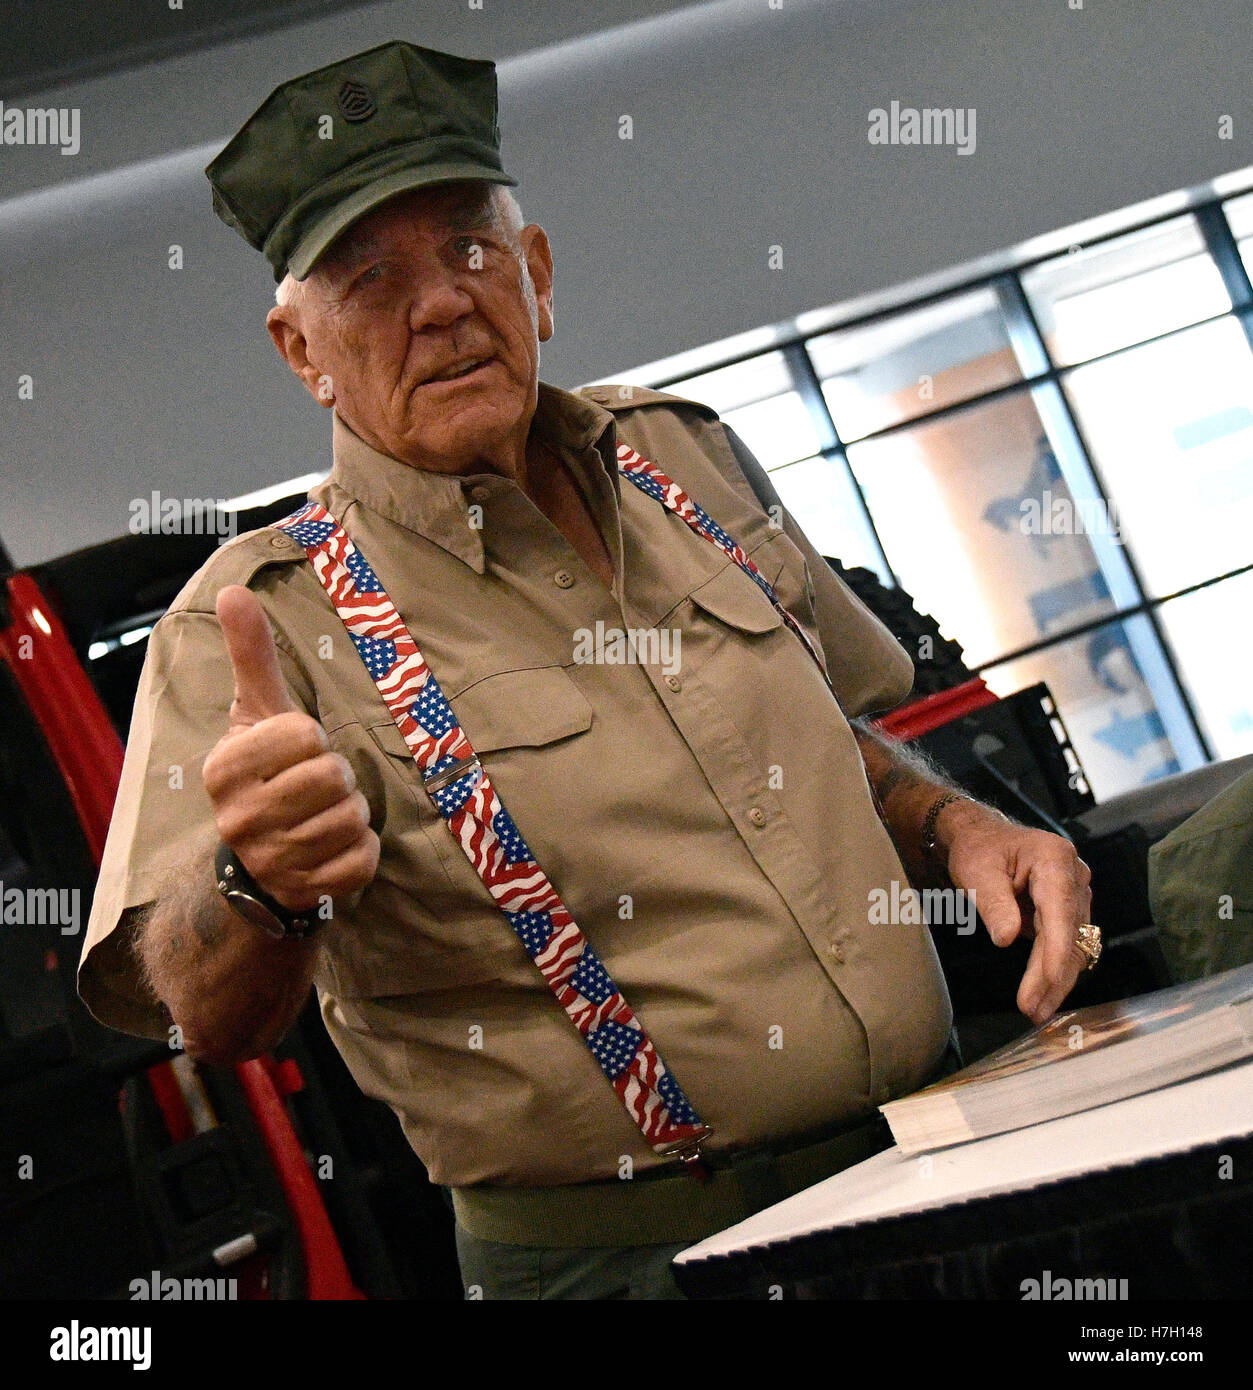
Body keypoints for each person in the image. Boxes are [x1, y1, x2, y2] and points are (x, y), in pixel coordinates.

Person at [78, 41, 1095, 1300]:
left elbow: (833, 731)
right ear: (302, 351)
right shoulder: (255, 620)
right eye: (369, 277)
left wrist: (948, 821)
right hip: (634, 1270)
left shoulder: (684, 458)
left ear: (536, 275)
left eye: (466, 248)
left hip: (936, 1171)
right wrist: (262, 883)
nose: (441, 302)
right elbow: (200, 1005)